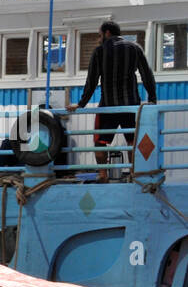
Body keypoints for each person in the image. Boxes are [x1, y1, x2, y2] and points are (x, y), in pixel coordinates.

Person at [67, 21, 156, 182]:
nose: (99, 39)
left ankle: (103, 175)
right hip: (131, 106)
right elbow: (147, 75)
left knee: (99, 141)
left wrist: (81, 104)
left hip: (108, 107)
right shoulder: (135, 48)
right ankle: (133, 174)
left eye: (100, 35)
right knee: (132, 141)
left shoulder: (100, 51)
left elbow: (92, 81)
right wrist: (152, 99)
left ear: (107, 33)